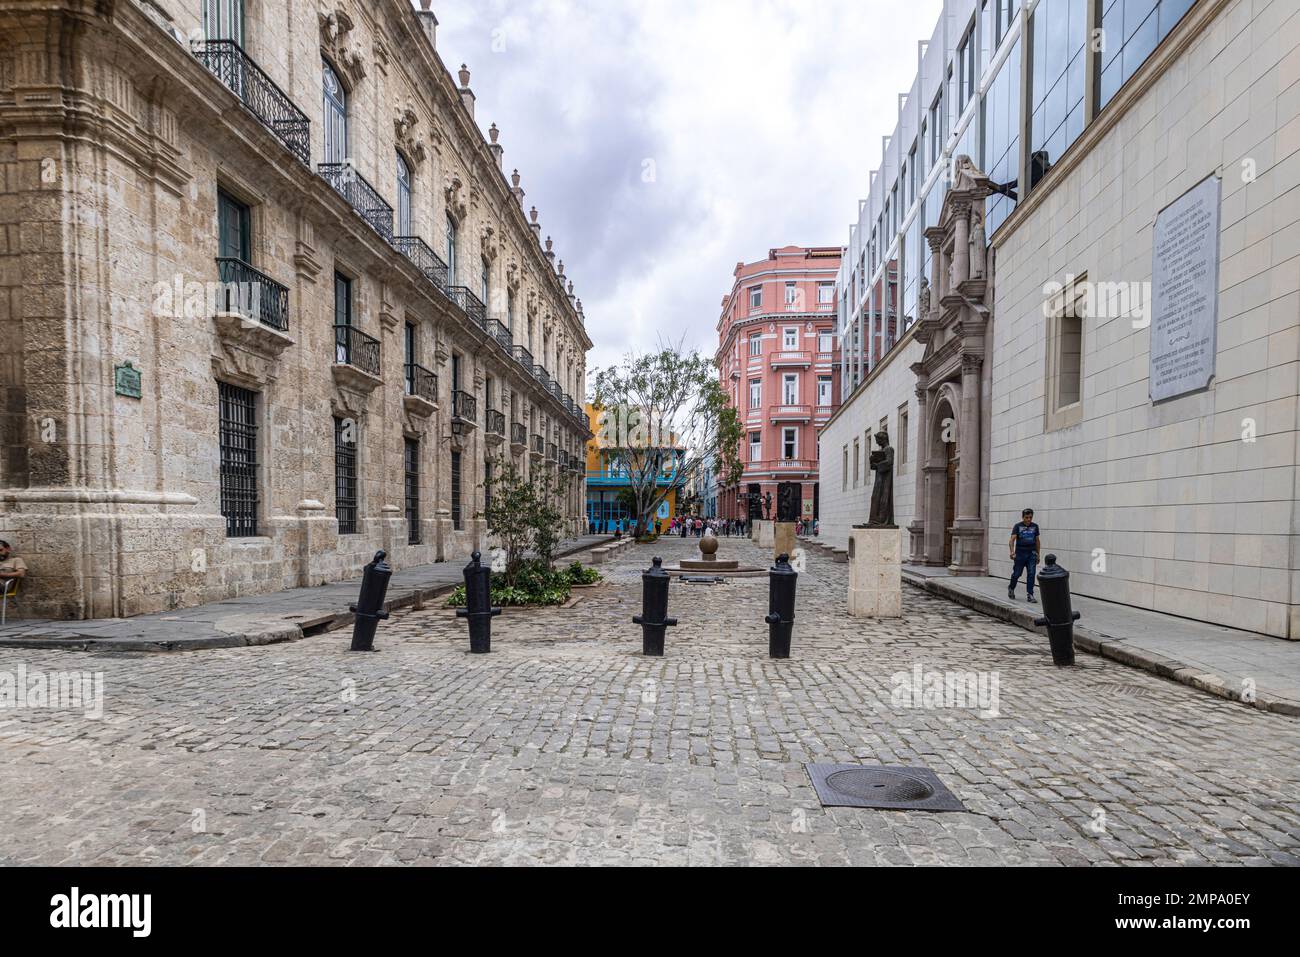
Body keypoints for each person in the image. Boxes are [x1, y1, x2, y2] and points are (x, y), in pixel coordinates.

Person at [1008, 508, 1041, 603]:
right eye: (1026, 517)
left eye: (1030, 517)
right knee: (1017, 574)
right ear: (1023, 517)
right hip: (1020, 554)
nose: (1029, 519)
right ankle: (1011, 587)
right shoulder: (1017, 526)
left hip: (1032, 553)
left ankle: (1030, 594)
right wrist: (1012, 552)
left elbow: (1037, 541)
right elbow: (1012, 540)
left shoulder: (1035, 527)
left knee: (1031, 574)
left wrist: (1038, 554)